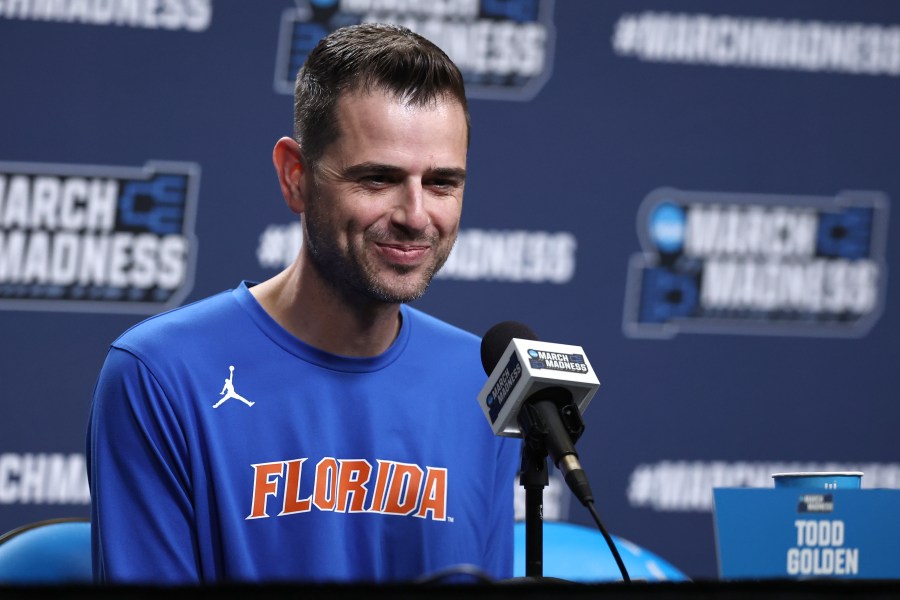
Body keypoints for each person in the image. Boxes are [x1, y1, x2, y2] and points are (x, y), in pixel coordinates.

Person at [85, 23, 520, 585]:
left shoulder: (485, 383)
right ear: (296, 177)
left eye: (441, 183)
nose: (416, 215)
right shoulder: (161, 375)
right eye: (378, 178)